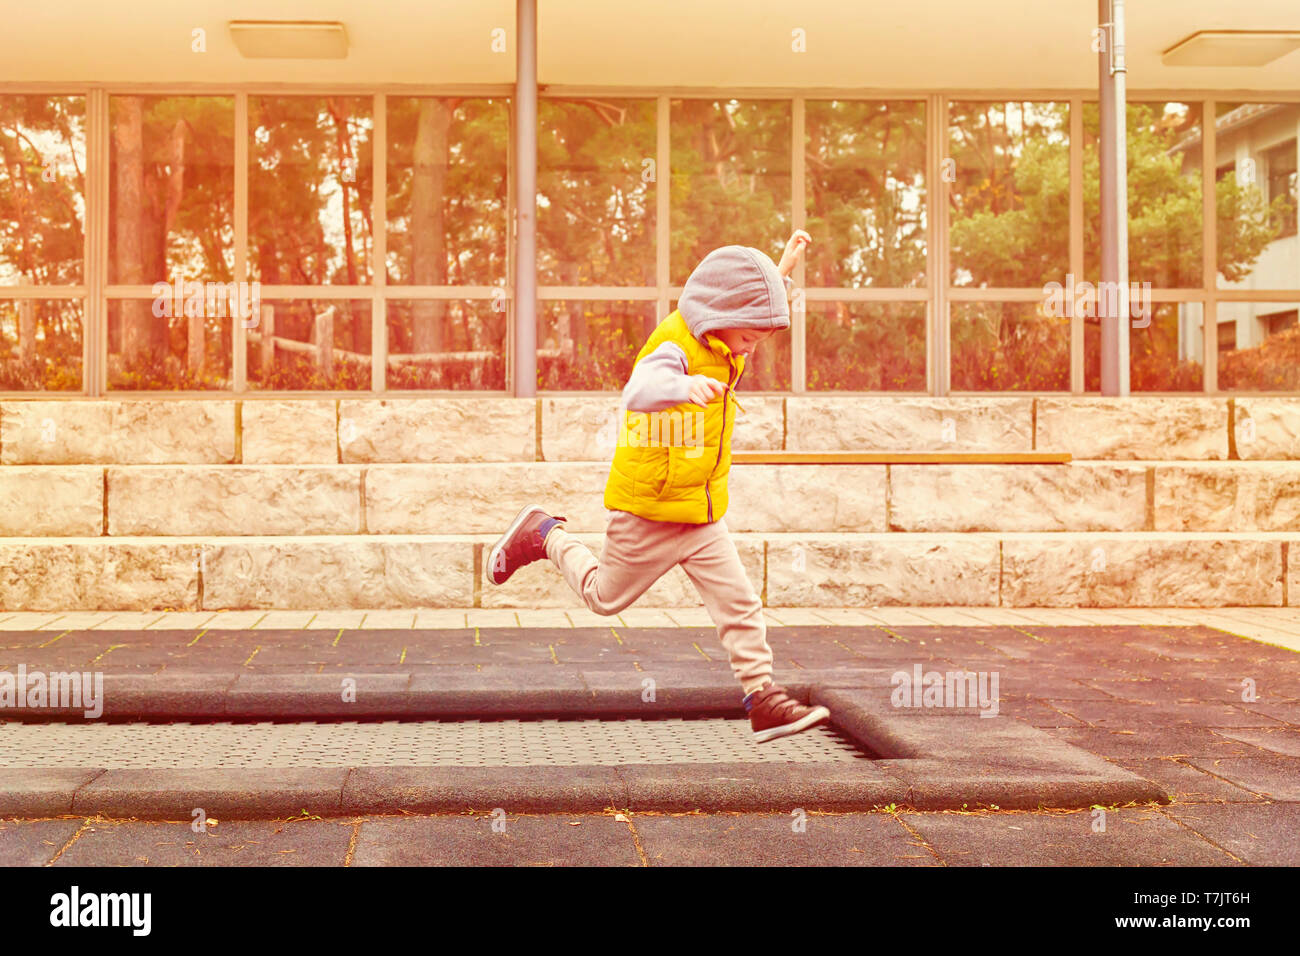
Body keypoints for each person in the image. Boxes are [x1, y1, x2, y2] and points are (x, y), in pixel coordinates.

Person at [487, 231, 831, 743]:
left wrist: (779, 273)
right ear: (720, 314)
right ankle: (545, 535)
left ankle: (762, 698)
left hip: (701, 511)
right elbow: (638, 390)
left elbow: (748, 304)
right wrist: (682, 387)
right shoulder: (676, 343)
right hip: (648, 510)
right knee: (604, 599)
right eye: (748, 337)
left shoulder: (726, 331)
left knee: (739, 604)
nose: (750, 347)